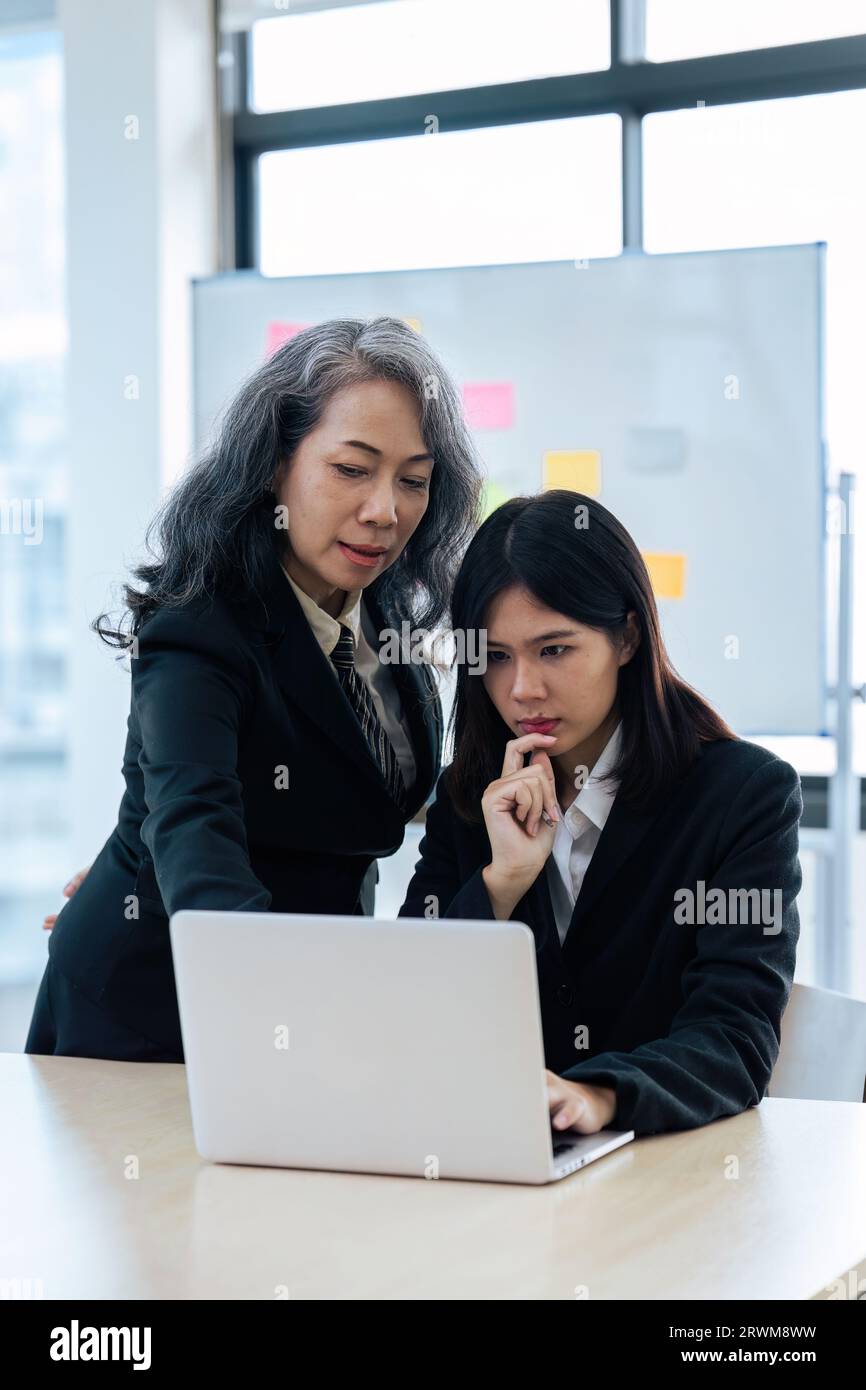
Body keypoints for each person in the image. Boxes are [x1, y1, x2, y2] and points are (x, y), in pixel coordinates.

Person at [26, 316, 482, 1062]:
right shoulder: (199, 630)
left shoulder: (384, 615)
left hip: (306, 993)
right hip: (152, 1017)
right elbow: (198, 840)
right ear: (276, 465)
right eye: (352, 469)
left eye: (413, 480)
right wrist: (152, 847)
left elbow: (351, 782)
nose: (384, 510)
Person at [398, 490, 804, 1137]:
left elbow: (733, 1038)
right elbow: (409, 1012)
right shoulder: (471, 798)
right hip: (491, 1164)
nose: (523, 688)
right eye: (497, 657)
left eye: (554, 650)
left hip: (666, 1177)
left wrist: (600, 1095)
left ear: (627, 638)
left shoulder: (742, 796)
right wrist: (501, 884)